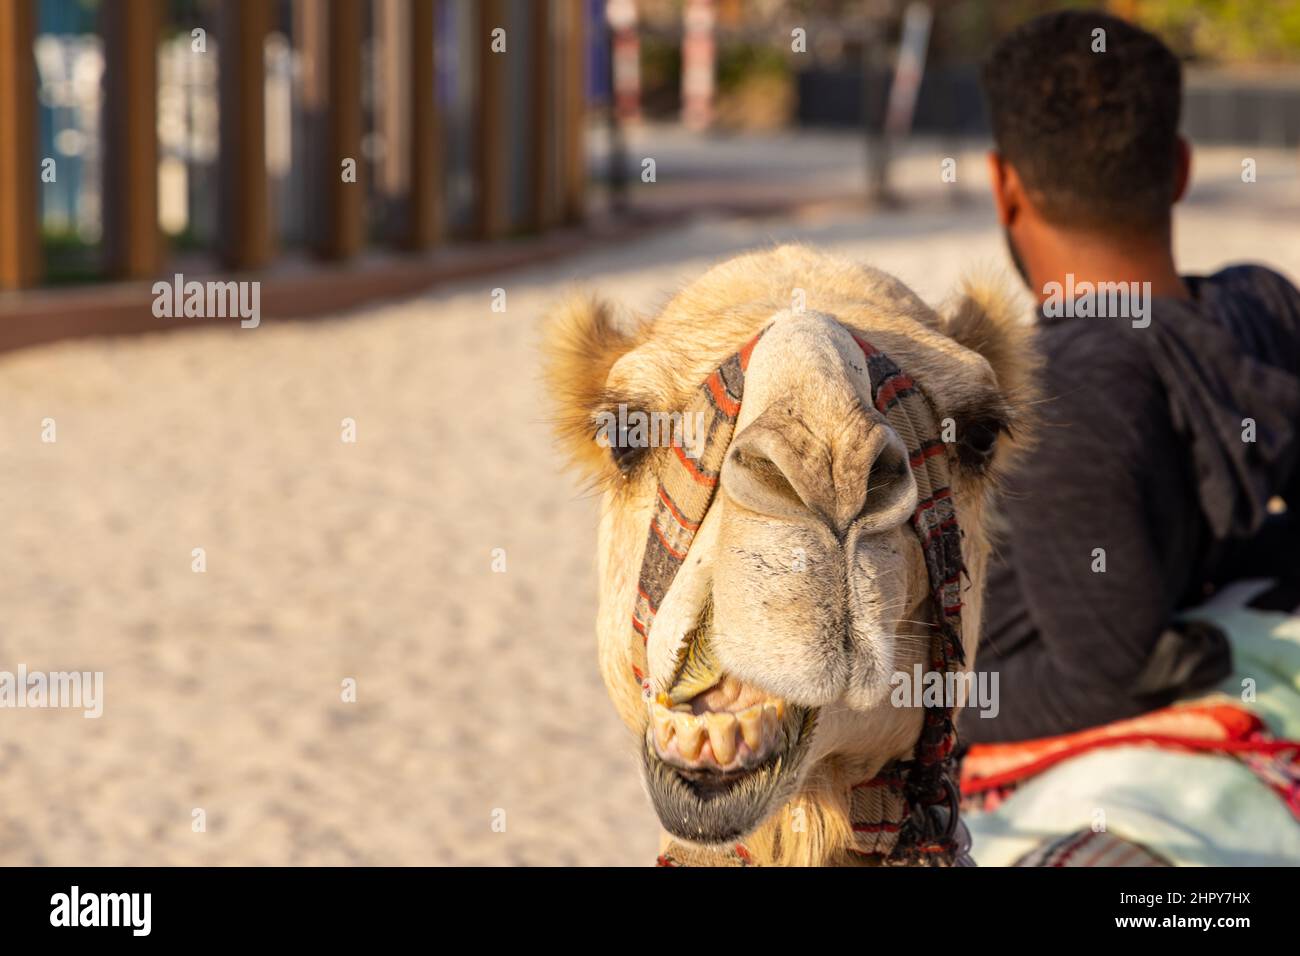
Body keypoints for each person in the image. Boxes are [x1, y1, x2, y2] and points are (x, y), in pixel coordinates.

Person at [963, 10, 1300, 744]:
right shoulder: (1265, 308)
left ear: (1004, 186)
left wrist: (906, 708)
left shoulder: (1054, 392)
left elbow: (1105, 677)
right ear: (1180, 168)